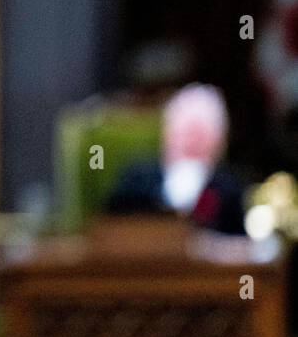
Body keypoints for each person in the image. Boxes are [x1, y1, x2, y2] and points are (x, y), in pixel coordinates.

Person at [106, 83, 247, 235]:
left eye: (199, 135)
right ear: (168, 135)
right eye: (185, 132)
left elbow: (239, 242)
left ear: (217, 141)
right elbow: (111, 225)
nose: (191, 142)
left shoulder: (228, 188)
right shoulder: (137, 178)